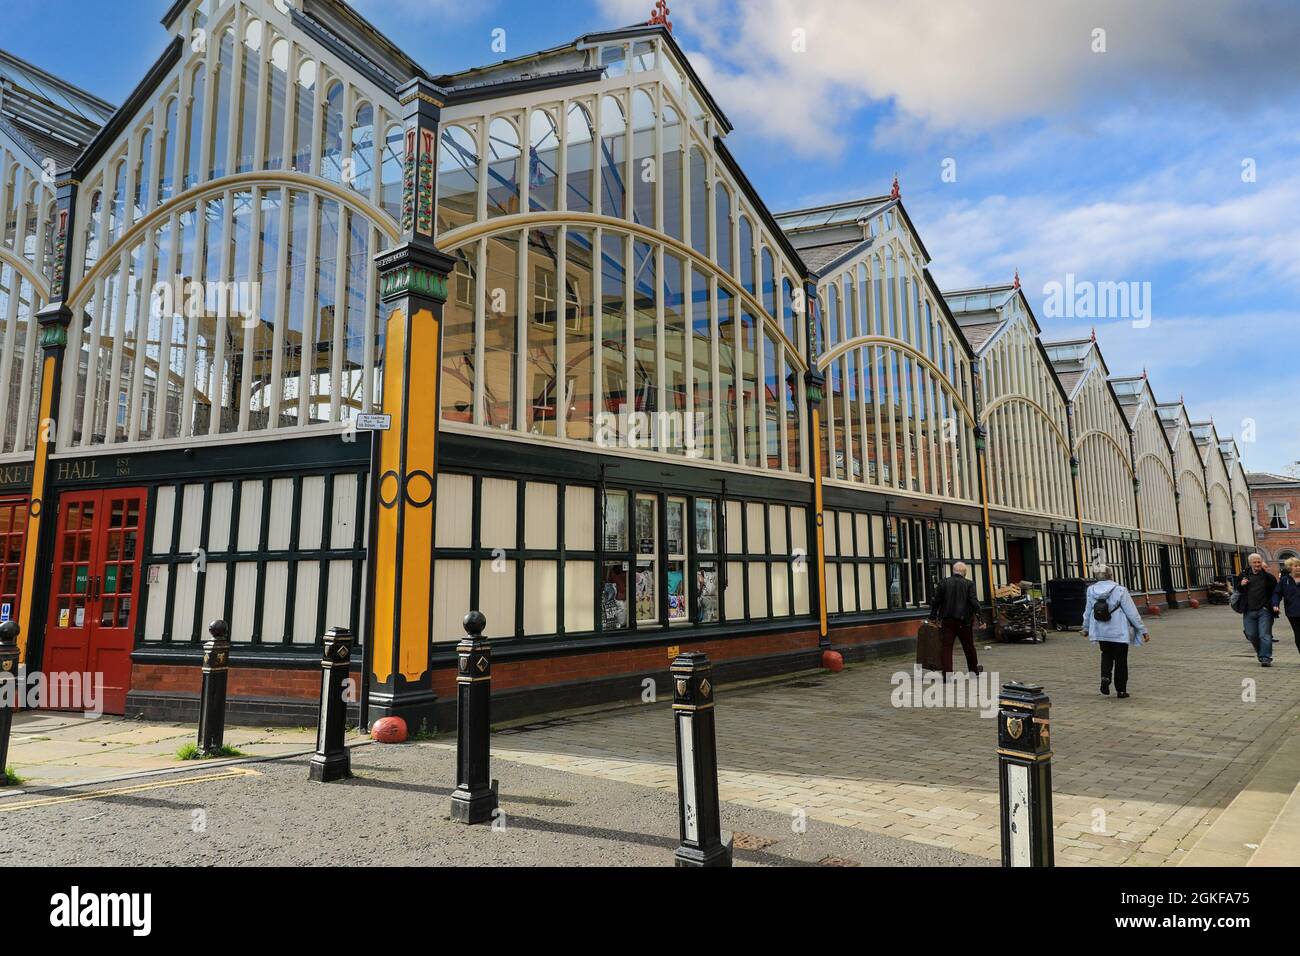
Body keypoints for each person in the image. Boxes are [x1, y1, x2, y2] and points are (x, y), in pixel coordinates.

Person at [1081, 563, 1149, 698]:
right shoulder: (1120, 590)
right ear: (1111, 575)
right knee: (1121, 660)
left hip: (1101, 632)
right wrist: (1143, 630)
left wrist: (1086, 628)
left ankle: (1105, 677)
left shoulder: (1091, 590)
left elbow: (1088, 611)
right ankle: (1121, 690)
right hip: (1119, 632)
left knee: (1106, 655)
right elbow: (1131, 612)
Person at [929, 561, 982, 677]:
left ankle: (947, 674)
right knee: (969, 647)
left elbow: (936, 601)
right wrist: (980, 619)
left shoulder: (943, 583)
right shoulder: (969, 584)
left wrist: (932, 617)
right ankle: (973, 671)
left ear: (953, 571)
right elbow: (974, 602)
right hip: (964, 621)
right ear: (965, 572)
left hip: (947, 620)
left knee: (946, 647)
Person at [1235, 553, 1278, 666]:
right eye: (1254, 562)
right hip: (1249, 610)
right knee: (1251, 634)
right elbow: (1237, 590)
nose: (1257, 564)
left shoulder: (1269, 578)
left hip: (1265, 610)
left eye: (1259, 562)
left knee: (1264, 634)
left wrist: (1273, 605)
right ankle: (1261, 653)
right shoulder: (1243, 576)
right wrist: (1241, 584)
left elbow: (1275, 593)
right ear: (1250, 563)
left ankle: (1266, 657)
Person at [1272, 556, 1300, 657]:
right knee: (1298, 635)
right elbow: (1277, 593)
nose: (1298, 568)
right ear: (1290, 568)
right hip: (1292, 613)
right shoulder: (1284, 580)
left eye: (1299, 565)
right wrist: (1275, 604)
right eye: (1296, 566)